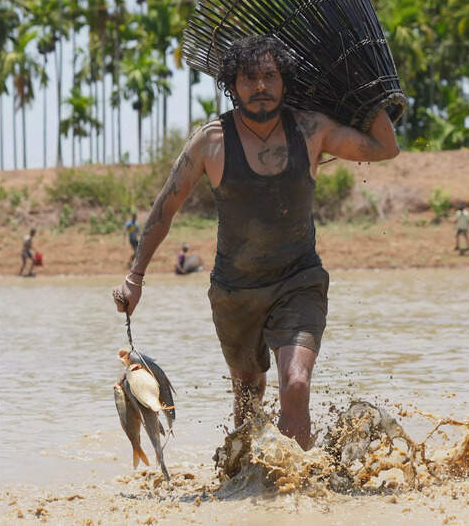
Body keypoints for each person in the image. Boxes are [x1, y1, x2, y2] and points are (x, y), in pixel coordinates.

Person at [113, 35, 399, 450]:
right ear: (233, 85)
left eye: (270, 76)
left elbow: (385, 148)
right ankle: (248, 474)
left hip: (298, 280)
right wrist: (135, 277)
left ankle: (296, 492)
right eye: (250, 78)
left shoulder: (310, 130)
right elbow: (165, 208)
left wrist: (368, 89)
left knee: (296, 384)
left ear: (284, 82)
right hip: (235, 292)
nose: (261, 86)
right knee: (249, 398)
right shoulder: (211, 141)